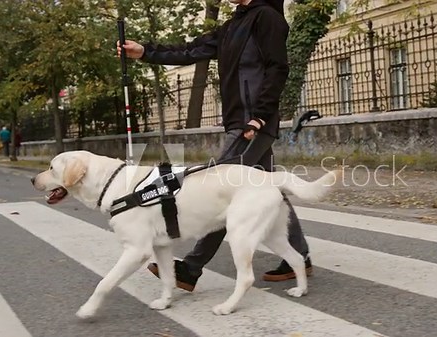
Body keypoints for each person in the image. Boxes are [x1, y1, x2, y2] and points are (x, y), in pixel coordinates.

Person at [118, 0, 312, 291]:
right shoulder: (233, 25)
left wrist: (259, 116)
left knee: (224, 191)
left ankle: (191, 268)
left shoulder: (266, 18)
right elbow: (189, 50)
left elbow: (277, 69)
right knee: (265, 187)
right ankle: (300, 256)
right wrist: (145, 51)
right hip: (240, 121)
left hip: (252, 123)